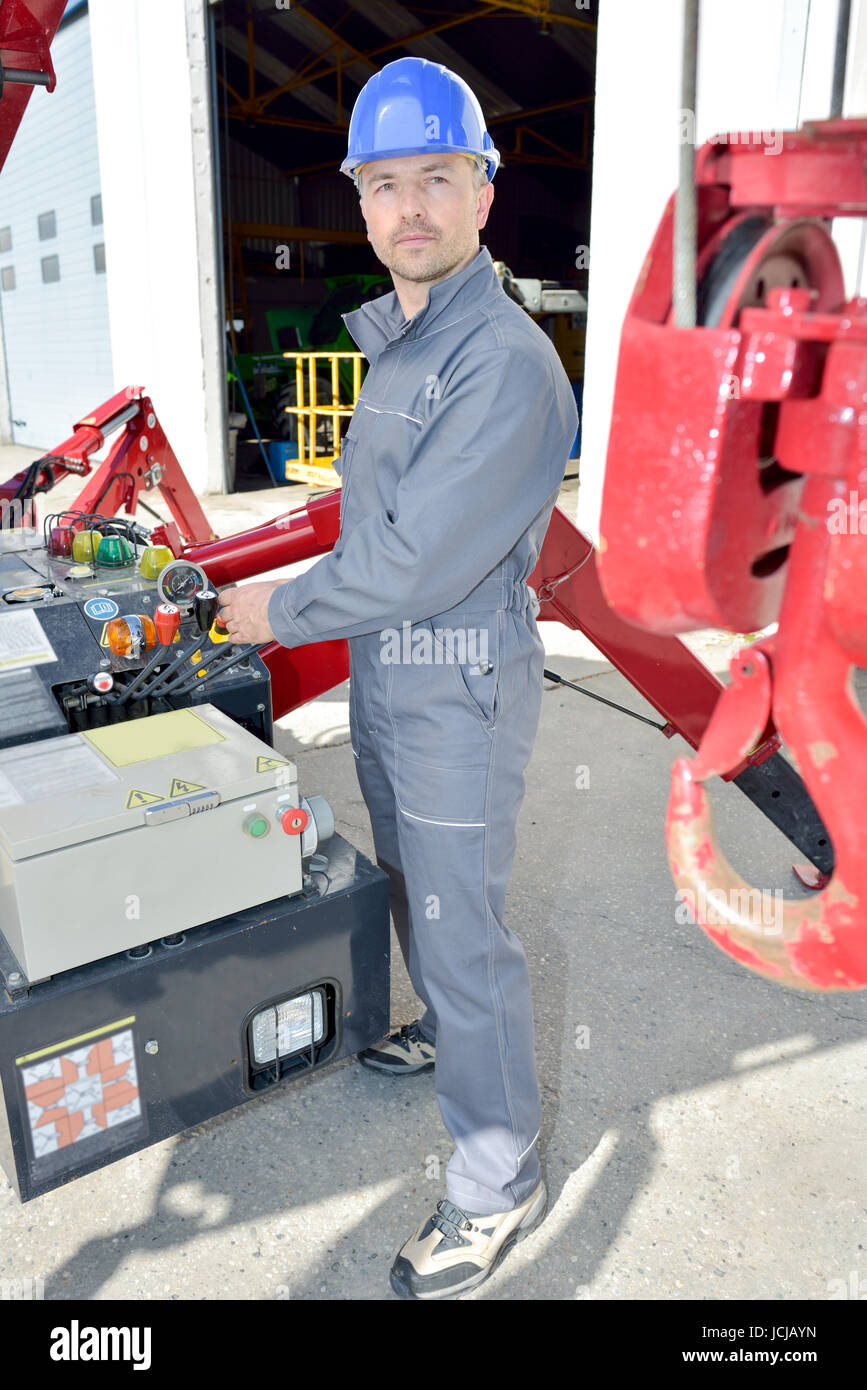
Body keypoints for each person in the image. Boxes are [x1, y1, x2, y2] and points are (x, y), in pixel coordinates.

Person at [217, 55, 578, 1301]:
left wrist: (276, 606)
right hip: (391, 679)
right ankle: (444, 1031)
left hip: (458, 685)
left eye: (438, 176)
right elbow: (375, 522)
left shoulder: (506, 361)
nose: (410, 206)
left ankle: (497, 1175)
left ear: (484, 193)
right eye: (385, 183)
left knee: (464, 929)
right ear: (361, 205)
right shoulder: (406, 345)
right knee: (418, 882)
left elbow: (417, 556)